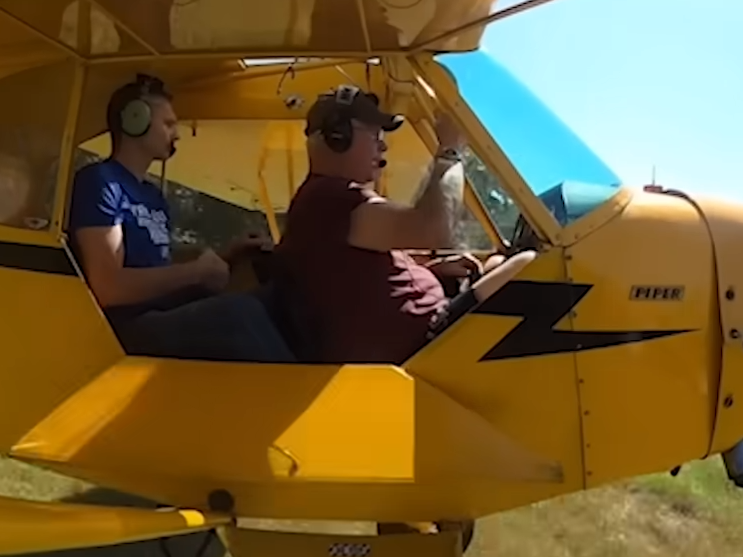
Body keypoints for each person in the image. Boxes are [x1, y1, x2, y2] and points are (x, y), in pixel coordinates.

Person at [68, 73, 294, 362]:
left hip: (159, 311)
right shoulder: (100, 181)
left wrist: (227, 256)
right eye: (168, 124)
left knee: (273, 299)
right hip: (122, 328)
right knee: (238, 313)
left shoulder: (153, 195)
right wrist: (196, 272)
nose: (177, 135)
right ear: (135, 120)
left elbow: (158, 270)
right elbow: (108, 287)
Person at [273, 84, 500, 364]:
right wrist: (449, 152)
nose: (383, 146)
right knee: (524, 263)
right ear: (337, 136)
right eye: (375, 135)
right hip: (424, 346)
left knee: (496, 265)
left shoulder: (323, 202)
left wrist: (428, 270)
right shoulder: (330, 199)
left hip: (424, 335)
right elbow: (433, 229)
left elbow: (355, 277)